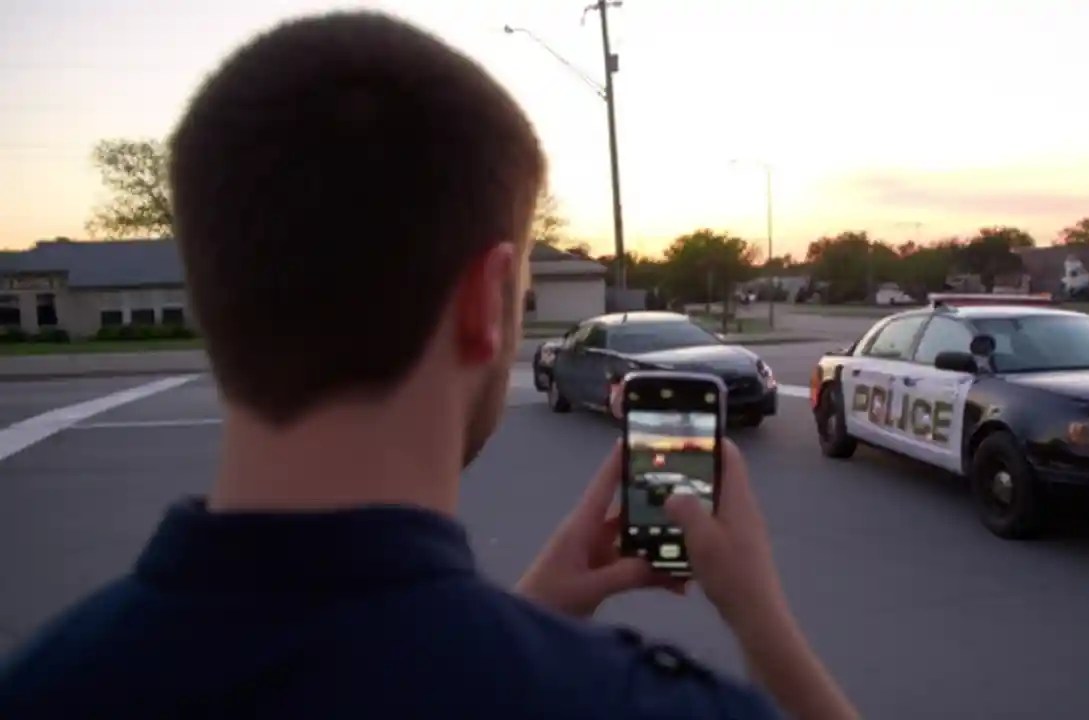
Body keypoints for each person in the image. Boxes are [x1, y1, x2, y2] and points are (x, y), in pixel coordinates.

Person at [0, 12, 861, 720]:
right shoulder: (635, 704)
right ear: (487, 302)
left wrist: (532, 610)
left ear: (211, 290)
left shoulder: (43, 683)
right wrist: (762, 623)